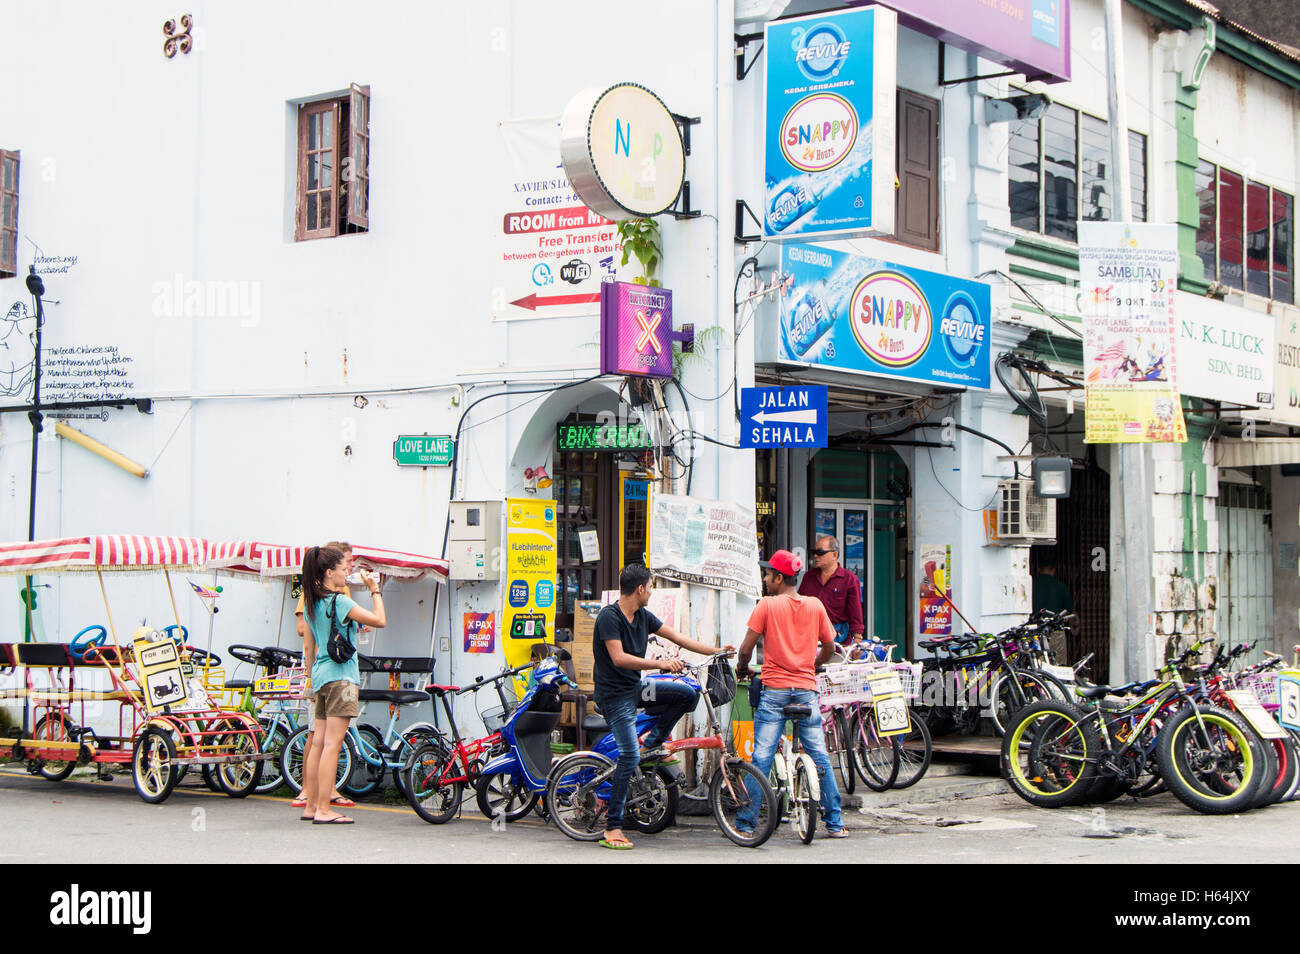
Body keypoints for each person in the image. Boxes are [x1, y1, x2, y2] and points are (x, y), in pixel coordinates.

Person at [592, 563, 728, 850]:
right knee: (628, 757)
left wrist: (717, 651)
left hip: (636, 689)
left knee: (685, 695)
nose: (652, 592)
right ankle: (613, 827)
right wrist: (661, 664)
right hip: (615, 696)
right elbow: (619, 658)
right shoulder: (609, 617)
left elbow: (678, 638)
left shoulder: (643, 615)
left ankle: (651, 745)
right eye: (651, 587)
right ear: (640, 588)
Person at [736, 549, 845, 838]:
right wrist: (814, 664)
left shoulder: (767, 606)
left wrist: (742, 668)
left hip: (775, 692)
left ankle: (746, 824)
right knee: (819, 755)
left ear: (779, 577)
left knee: (761, 756)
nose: (765, 578)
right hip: (806, 691)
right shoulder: (815, 606)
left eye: (768, 574)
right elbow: (830, 648)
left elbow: (746, 649)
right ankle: (835, 823)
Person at [299, 545, 385, 824]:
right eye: (343, 568)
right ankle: (324, 809)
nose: (347, 572)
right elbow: (380, 620)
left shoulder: (312, 604)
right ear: (328, 572)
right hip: (342, 677)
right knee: (333, 745)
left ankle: (311, 805)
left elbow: (309, 647)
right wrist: (375, 589)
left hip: (321, 676)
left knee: (318, 744)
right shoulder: (341, 602)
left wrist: (310, 680)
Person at [291, 540, 355, 812]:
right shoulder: (324, 594)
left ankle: (317, 798)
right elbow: (304, 633)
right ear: (330, 569)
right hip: (333, 672)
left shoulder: (334, 591)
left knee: (322, 739)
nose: (350, 567)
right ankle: (315, 797)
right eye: (347, 562)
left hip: (322, 672)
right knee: (324, 740)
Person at [798, 535, 864, 649]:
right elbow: (799, 605)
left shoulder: (849, 579)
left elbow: (855, 613)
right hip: (810, 639)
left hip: (839, 641)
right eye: (814, 552)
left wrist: (857, 642)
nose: (815, 556)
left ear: (835, 555)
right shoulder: (809, 577)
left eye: (820, 553)